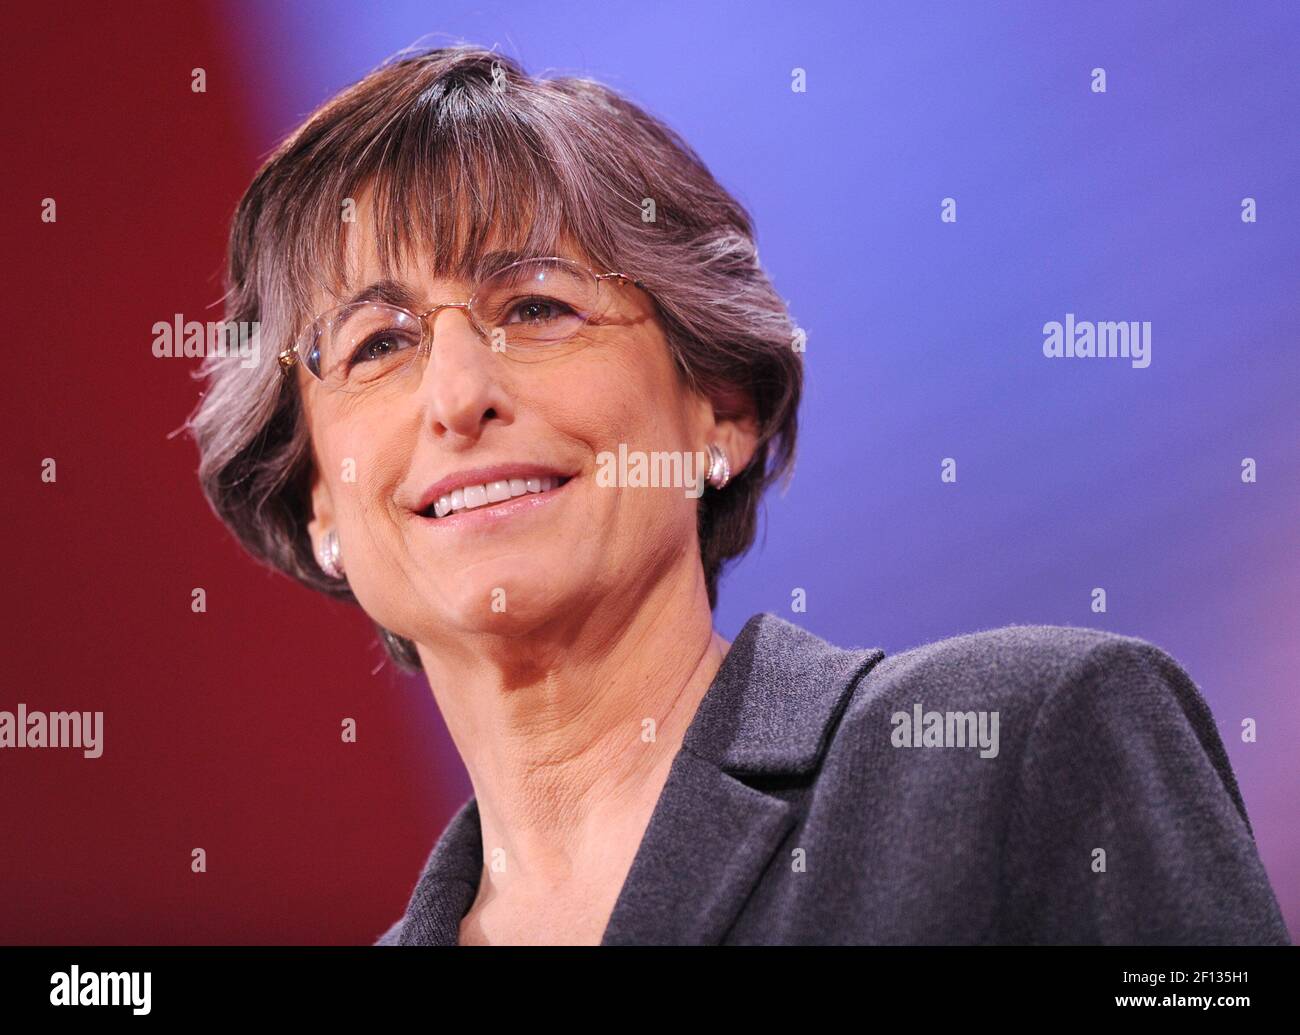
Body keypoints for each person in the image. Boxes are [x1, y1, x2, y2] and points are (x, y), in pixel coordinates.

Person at [186, 44, 1290, 946]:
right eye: (378, 343)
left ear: (719, 409)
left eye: (535, 308)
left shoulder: (1028, 749)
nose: (459, 395)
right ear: (317, 500)